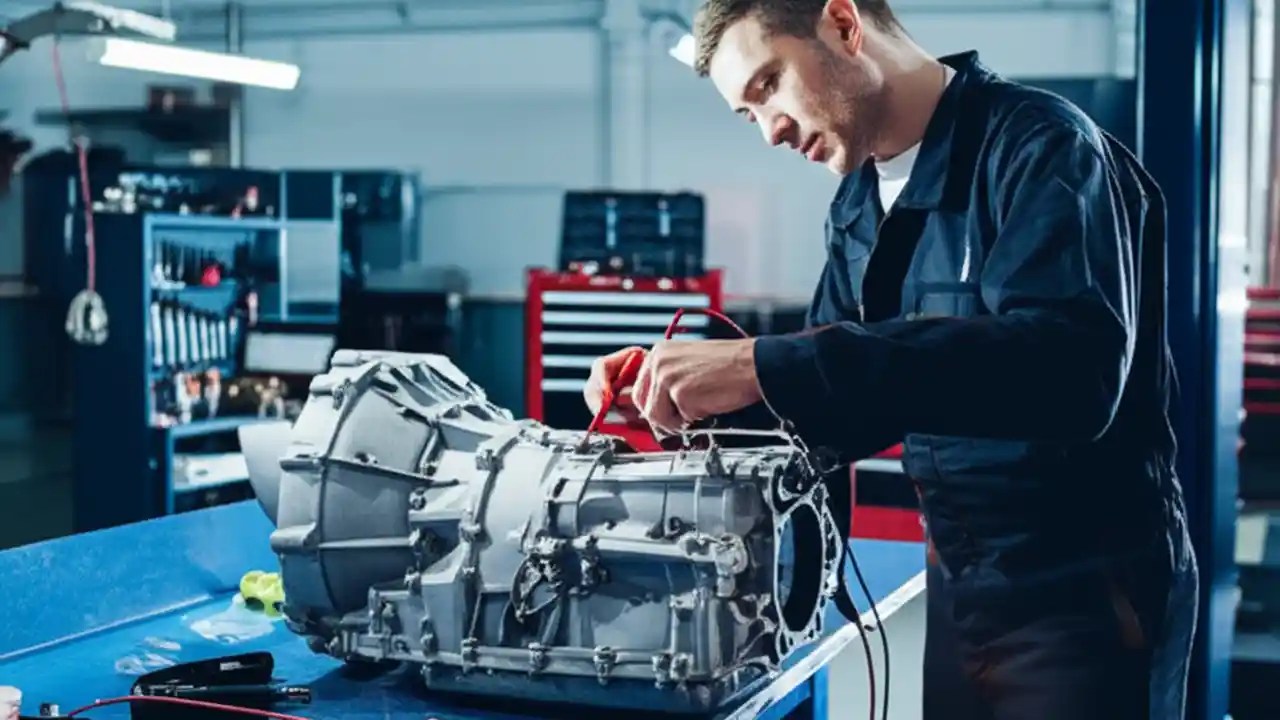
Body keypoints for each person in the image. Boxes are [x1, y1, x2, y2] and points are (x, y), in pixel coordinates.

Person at [582, 1, 1199, 718]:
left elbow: (1069, 371)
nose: (773, 129)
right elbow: (831, 400)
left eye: (770, 84)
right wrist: (691, 394)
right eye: (750, 115)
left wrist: (765, 364)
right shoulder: (856, 206)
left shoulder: (1042, 148)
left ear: (843, 24)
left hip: (1089, 594)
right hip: (964, 584)